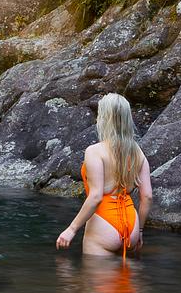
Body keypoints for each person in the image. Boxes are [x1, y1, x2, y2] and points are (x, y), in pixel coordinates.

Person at [55, 93, 153, 257]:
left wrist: (71, 229)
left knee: (94, 274)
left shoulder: (95, 151)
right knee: (123, 273)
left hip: (104, 223)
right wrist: (140, 231)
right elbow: (147, 197)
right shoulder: (138, 152)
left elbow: (96, 197)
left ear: (105, 118)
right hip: (132, 225)